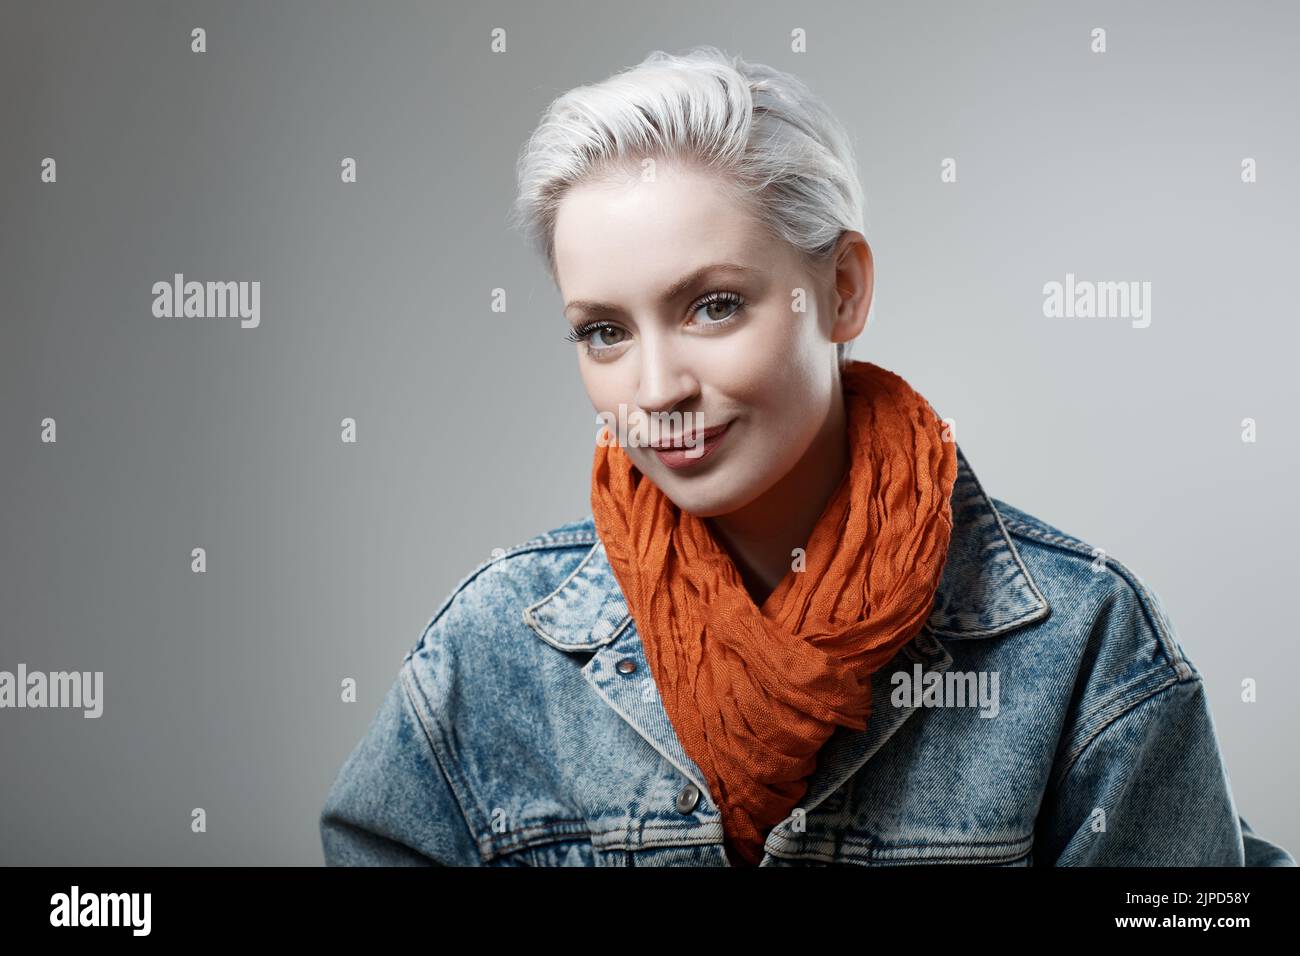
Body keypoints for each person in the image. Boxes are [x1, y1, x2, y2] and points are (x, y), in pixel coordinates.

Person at [319, 46, 1294, 867]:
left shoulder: (1076, 639)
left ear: (842, 289)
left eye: (713, 304)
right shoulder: (493, 649)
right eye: (604, 331)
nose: (654, 387)